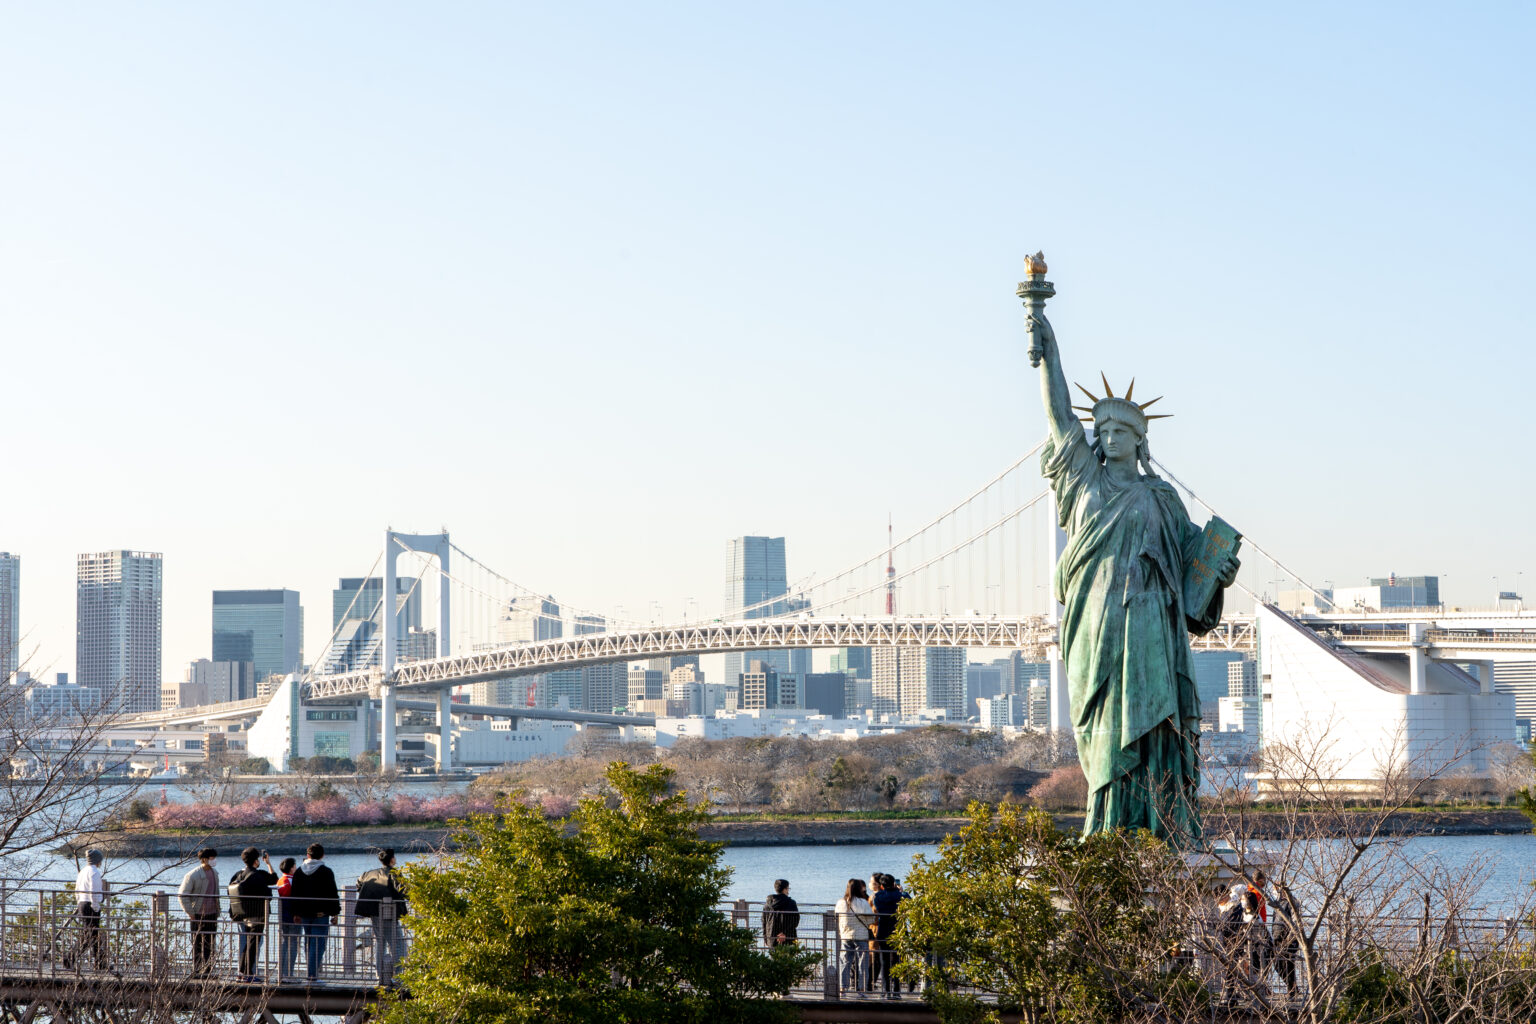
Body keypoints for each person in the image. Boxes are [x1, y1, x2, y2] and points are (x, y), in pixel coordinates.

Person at [1028, 296, 1240, 840]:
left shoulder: (1161, 497)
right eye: (1103, 430)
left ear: (1140, 441)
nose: (1109, 437)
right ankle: (1109, 822)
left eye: (1121, 432)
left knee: (1159, 726)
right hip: (1097, 622)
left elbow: (1195, 564)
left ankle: (1163, 822)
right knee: (1104, 729)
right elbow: (1057, 419)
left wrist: (1219, 571)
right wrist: (1049, 348)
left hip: (1152, 623)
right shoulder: (1084, 482)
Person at [288, 843, 341, 983]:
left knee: (309, 943)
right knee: (318, 944)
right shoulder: (326, 871)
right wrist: (335, 913)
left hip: (304, 914)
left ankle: (311, 973)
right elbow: (332, 893)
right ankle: (312, 976)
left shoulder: (299, 871)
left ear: (307, 855)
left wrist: (296, 913)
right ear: (322, 855)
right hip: (321, 914)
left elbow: (295, 894)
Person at [356, 848, 410, 984]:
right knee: (399, 945)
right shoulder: (394, 873)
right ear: (392, 859)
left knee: (381, 943)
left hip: (374, 913)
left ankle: (380, 975)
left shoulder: (369, 873)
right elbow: (404, 890)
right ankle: (398, 977)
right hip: (389, 914)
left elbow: (359, 884)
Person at [228, 846, 279, 982]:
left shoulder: (238, 874)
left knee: (247, 944)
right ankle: (248, 974)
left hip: (243, 914)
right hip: (258, 914)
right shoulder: (259, 874)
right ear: (256, 861)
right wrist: (268, 863)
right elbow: (274, 879)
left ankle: (241, 972)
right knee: (253, 944)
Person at [178, 848, 221, 976]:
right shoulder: (193, 875)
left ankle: (207, 971)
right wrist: (190, 912)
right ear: (204, 859)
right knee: (198, 944)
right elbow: (182, 895)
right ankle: (196, 971)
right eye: (212, 858)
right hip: (198, 914)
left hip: (212, 913)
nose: (214, 860)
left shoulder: (215, 873)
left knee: (210, 944)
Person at [834, 878, 876, 996]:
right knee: (863, 963)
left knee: (845, 962)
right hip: (861, 936)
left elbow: (837, 917)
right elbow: (871, 918)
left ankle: (843, 988)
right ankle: (861, 990)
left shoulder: (841, 902)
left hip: (846, 936)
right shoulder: (863, 903)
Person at [870, 873, 904, 998]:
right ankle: (896, 991)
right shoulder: (900, 896)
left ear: (882, 885)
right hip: (897, 931)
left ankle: (885, 991)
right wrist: (900, 891)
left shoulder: (877, 897)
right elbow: (909, 904)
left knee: (884, 961)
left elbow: (877, 908)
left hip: (883, 931)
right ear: (893, 883)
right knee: (896, 961)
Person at [74, 849, 108, 971]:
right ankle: (70, 957)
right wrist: (96, 906)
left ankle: (100, 961)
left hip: (82, 903)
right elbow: (94, 891)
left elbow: (76, 889)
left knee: (91, 934)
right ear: (97, 860)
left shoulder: (83, 872)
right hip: (90, 905)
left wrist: (79, 901)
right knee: (91, 934)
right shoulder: (94, 872)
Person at [275, 857, 301, 982]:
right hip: (293, 917)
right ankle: (288, 974)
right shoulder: (292, 881)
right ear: (291, 868)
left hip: (283, 916)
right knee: (293, 945)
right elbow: (295, 897)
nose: (296, 868)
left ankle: (282, 972)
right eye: (295, 866)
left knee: (284, 943)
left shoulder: (280, 880)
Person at [1242, 890, 1273, 992]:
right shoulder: (1245, 914)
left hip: (1256, 947)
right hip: (1249, 946)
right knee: (1247, 969)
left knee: (1253, 970)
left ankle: (1260, 990)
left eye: (1243, 899)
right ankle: (1260, 989)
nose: (1241, 901)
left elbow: (1253, 934)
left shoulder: (1254, 917)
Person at [761, 879, 799, 948]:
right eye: (788, 888)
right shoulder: (791, 903)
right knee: (788, 957)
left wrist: (765, 937)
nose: (788, 891)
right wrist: (784, 933)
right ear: (784, 889)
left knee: (774, 957)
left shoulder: (768, 904)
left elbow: (764, 922)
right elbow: (795, 921)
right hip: (788, 938)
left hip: (771, 938)